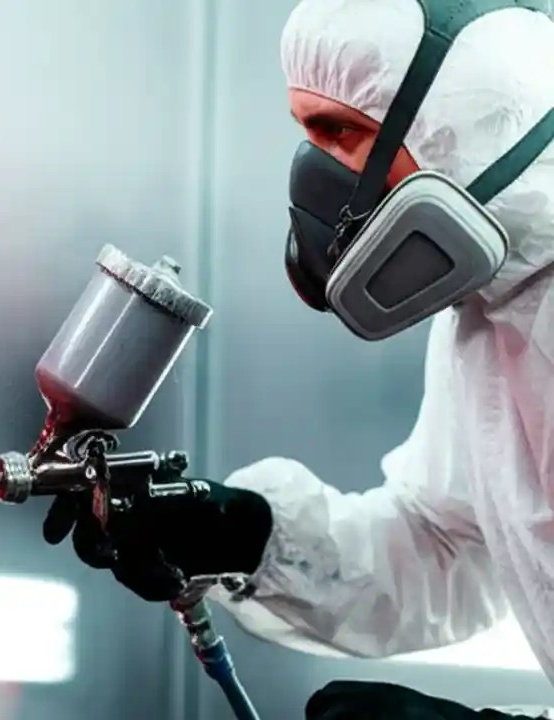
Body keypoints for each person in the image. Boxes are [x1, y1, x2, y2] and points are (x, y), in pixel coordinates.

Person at [44, 0, 554, 717]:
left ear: (459, 127)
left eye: (340, 133)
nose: (315, 177)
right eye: (308, 134)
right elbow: (452, 549)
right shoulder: (487, 314)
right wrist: (239, 532)